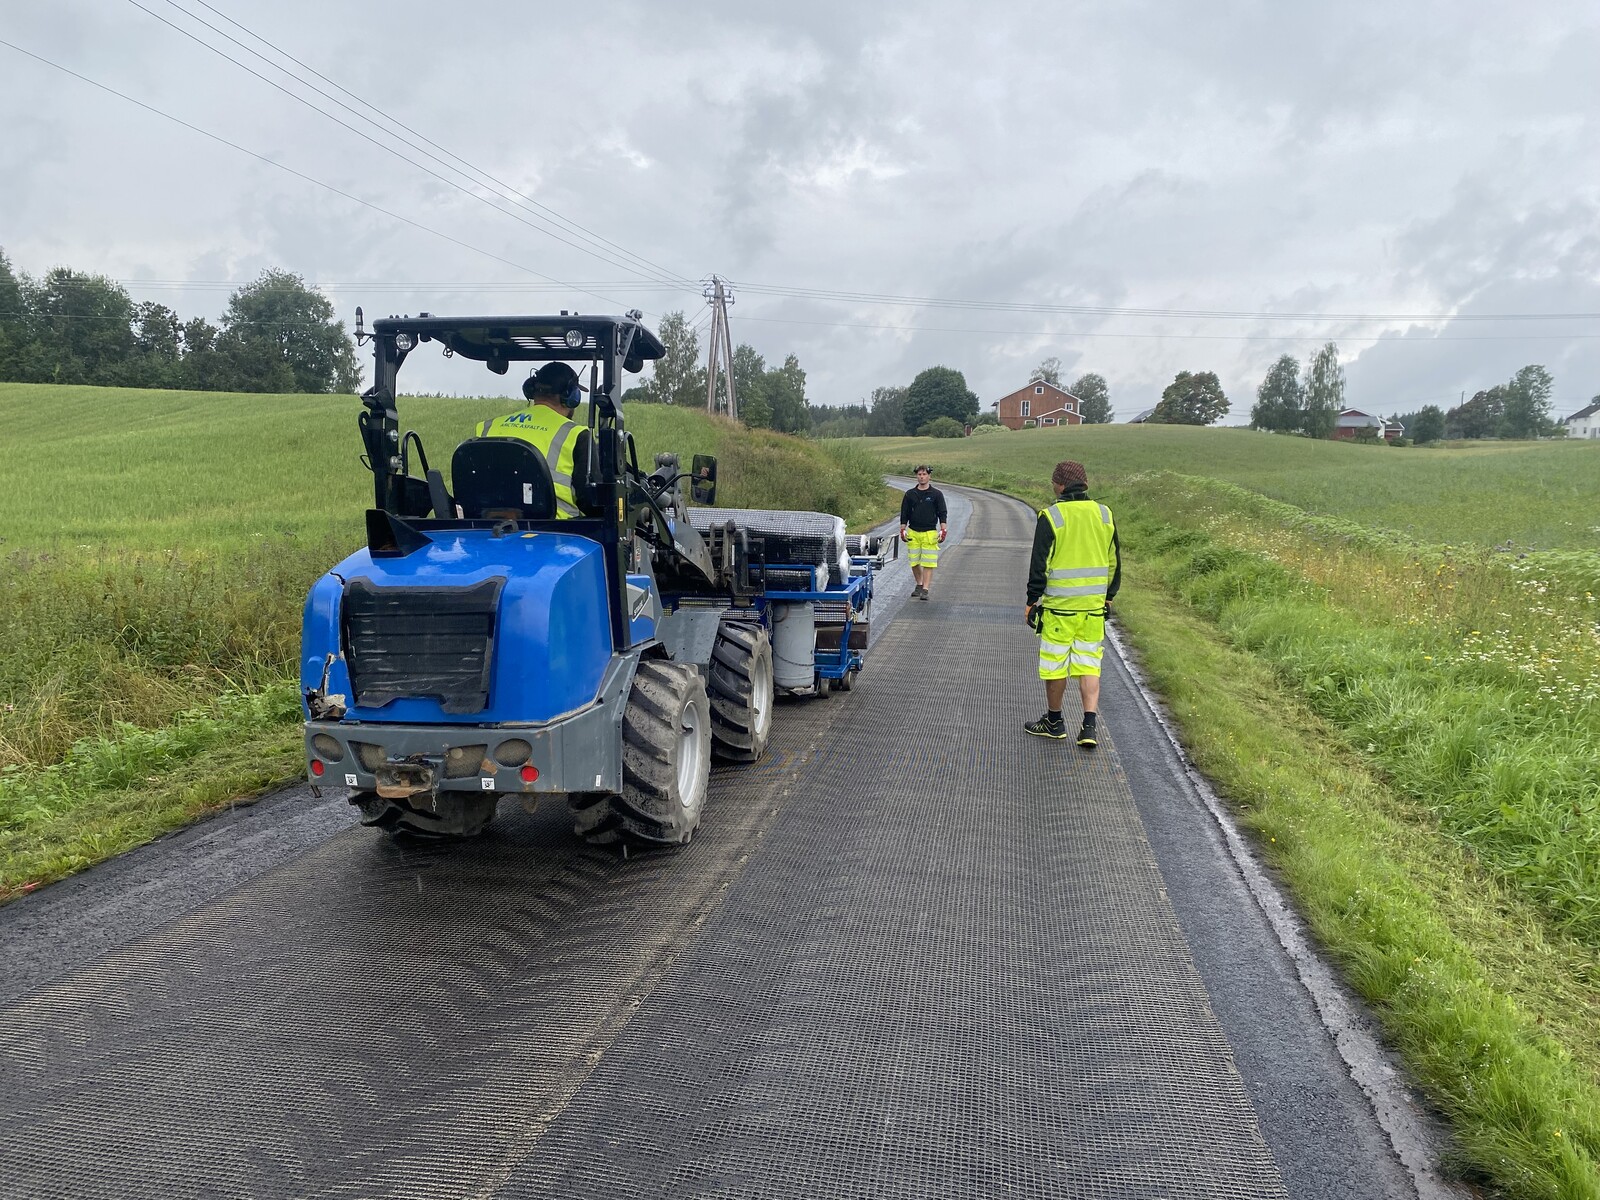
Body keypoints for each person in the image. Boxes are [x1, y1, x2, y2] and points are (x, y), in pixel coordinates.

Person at [1023, 460, 1120, 746]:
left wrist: (1031, 600)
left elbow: (1038, 564)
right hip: (1092, 608)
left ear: (1060, 485)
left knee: (1056, 665)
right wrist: (1109, 596)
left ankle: (1054, 722)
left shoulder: (1052, 516)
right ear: (1085, 484)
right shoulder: (1104, 514)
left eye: (1054, 482)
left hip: (1059, 608)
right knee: (1089, 663)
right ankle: (1088, 727)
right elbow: (1114, 560)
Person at [475, 361, 597, 518]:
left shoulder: (487, 427)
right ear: (572, 397)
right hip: (558, 531)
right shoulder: (576, 435)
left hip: (489, 526)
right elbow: (592, 501)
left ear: (531, 391)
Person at [899, 464, 948, 600]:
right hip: (913, 532)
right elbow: (904, 513)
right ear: (916, 476)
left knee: (928, 562)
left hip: (930, 533)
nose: (922, 477)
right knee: (914, 562)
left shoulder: (936, 494)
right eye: (919, 474)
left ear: (929, 476)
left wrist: (943, 529)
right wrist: (902, 529)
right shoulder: (910, 494)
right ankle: (919, 584)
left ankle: (925, 589)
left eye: (924, 474)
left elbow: (942, 513)